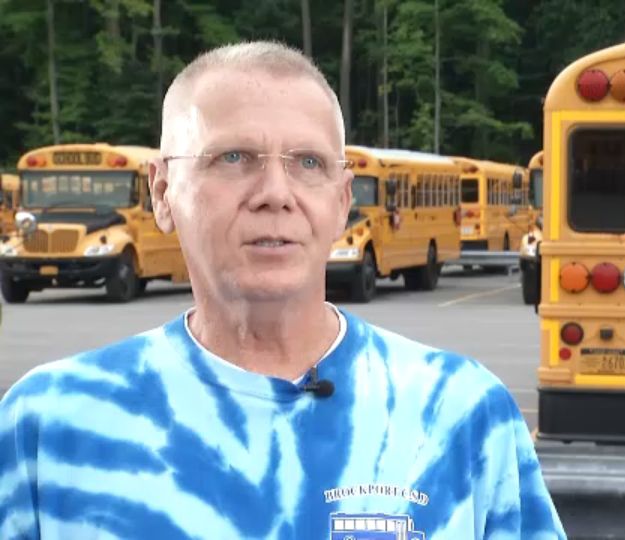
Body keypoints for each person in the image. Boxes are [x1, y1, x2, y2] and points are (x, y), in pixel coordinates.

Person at [0, 41, 567, 540]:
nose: (276, 193)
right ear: (163, 191)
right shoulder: (50, 423)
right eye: (234, 158)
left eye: (308, 163)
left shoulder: (461, 412)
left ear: (342, 201)